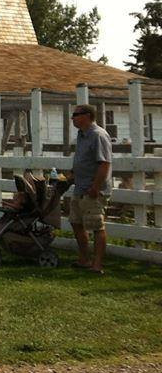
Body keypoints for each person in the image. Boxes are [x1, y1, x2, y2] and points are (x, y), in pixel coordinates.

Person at [69, 104, 113, 274]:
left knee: (97, 226)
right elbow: (82, 159)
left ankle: (97, 264)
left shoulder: (98, 135)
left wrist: (95, 187)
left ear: (87, 115)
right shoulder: (81, 135)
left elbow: (104, 164)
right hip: (80, 187)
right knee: (76, 223)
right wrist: (71, 174)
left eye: (75, 114)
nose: (72, 118)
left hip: (93, 190)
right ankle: (84, 259)